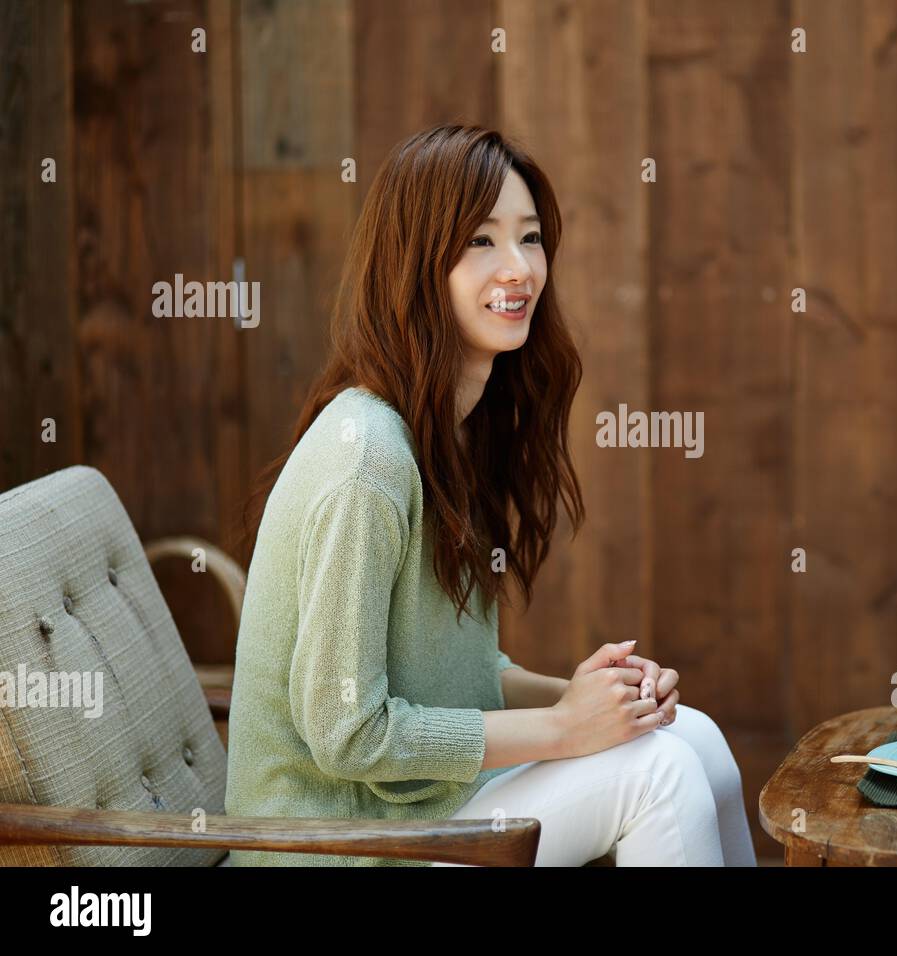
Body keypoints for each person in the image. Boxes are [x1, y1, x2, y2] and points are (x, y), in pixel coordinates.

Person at [224, 124, 757, 866]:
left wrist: (595, 699)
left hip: (414, 811)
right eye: (480, 241)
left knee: (688, 735)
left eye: (530, 238)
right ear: (415, 264)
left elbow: (455, 673)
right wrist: (567, 730)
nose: (518, 269)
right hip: (337, 843)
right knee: (658, 774)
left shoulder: (443, 429)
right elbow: (347, 732)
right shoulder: (367, 462)